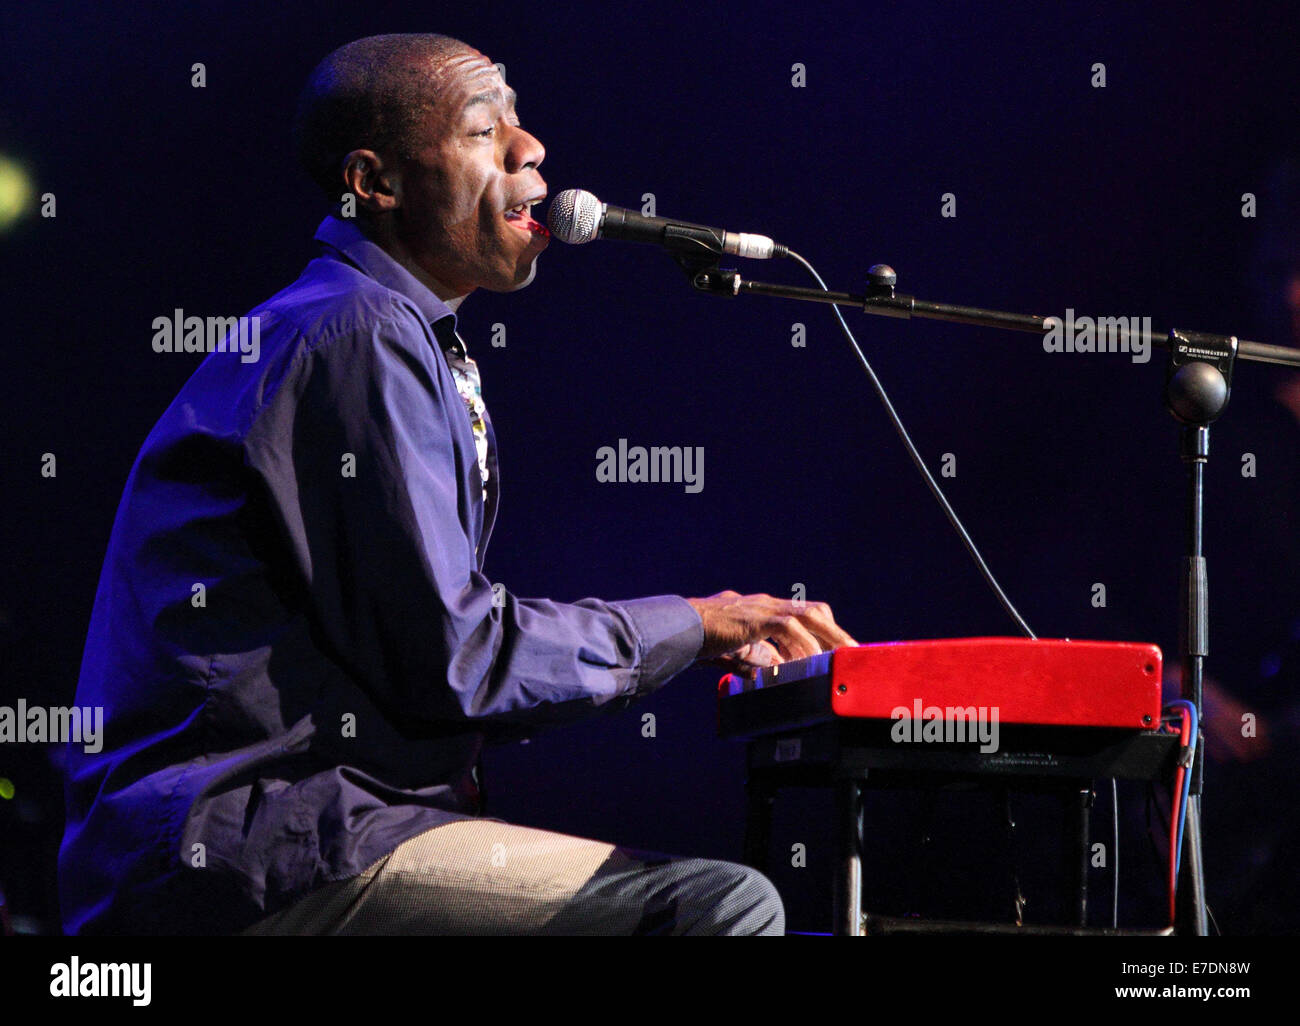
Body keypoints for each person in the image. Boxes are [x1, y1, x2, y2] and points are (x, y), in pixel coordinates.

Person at [57, 33, 857, 936]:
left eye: (521, 123)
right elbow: (457, 656)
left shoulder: (383, 329)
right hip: (253, 841)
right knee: (719, 907)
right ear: (376, 182)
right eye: (485, 130)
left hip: (317, 828)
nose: (531, 150)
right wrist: (696, 623)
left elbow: (429, 661)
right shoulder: (353, 332)